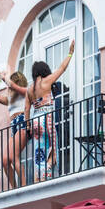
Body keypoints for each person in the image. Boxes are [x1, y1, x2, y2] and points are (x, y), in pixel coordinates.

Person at [26, 39, 76, 180]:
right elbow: (62, 69)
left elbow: (26, 109)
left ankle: (39, 176)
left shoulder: (30, 89)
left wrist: (28, 126)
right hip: (47, 117)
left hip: (35, 119)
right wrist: (70, 53)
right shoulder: (46, 82)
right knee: (53, 147)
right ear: (44, 71)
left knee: (39, 150)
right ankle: (49, 172)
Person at [0, 66, 32, 188]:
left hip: (23, 123)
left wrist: (2, 75)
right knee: (5, 160)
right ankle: (14, 188)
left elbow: (12, 86)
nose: (9, 86)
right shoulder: (9, 99)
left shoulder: (25, 92)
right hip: (14, 126)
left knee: (14, 156)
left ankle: (23, 185)